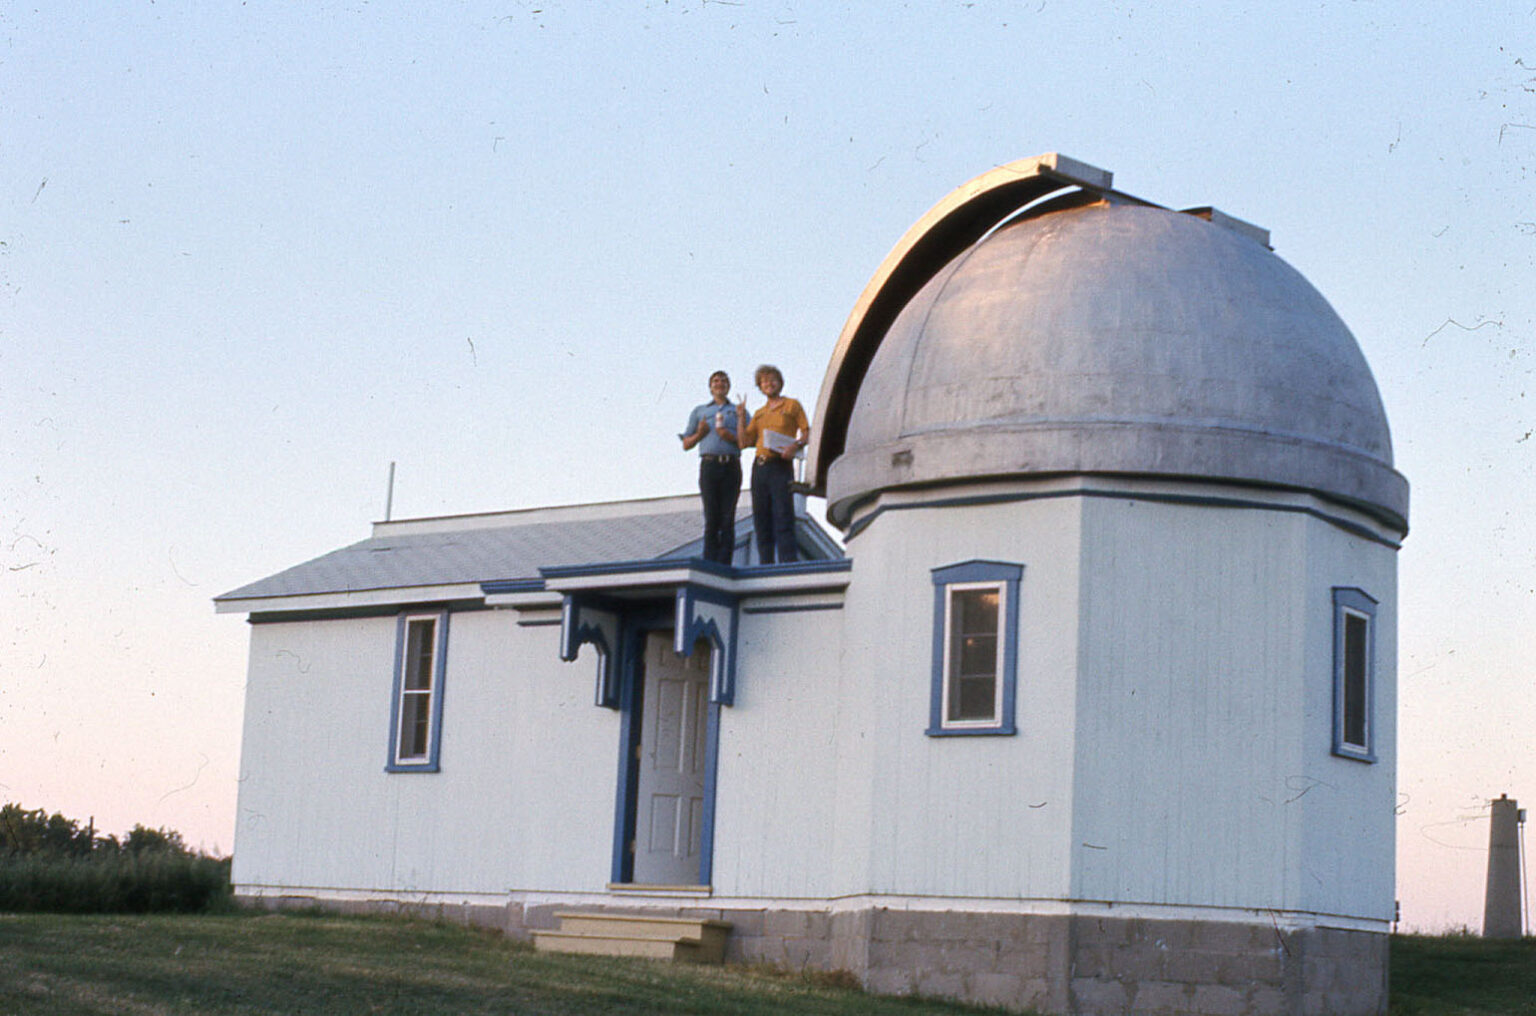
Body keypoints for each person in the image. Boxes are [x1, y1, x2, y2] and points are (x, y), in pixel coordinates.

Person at [736, 364, 810, 564]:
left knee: (783, 515)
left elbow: (807, 432)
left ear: (780, 382)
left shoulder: (792, 405)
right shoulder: (759, 413)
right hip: (760, 467)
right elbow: (744, 442)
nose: (768, 384)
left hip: (780, 465)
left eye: (772, 379)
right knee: (761, 517)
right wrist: (741, 419)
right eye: (764, 381)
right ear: (760, 387)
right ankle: (765, 565)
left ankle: (788, 564)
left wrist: (795, 446)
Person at [680, 370, 742, 566]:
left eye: (724, 381)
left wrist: (728, 436)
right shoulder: (700, 411)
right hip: (709, 465)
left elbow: (748, 440)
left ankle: (724, 565)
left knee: (727, 517)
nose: (719, 384)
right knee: (711, 517)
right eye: (716, 381)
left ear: (729, 386)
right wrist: (700, 434)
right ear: (710, 386)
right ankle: (709, 565)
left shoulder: (738, 411)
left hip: (731, 465)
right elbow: (686, 444)